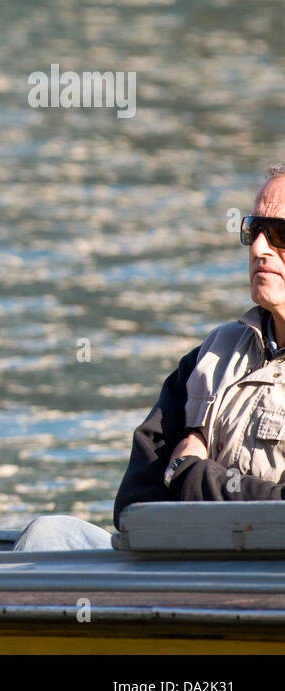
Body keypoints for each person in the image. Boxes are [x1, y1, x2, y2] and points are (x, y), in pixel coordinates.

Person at [114, 164, 285, 525]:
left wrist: (191, 473)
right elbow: (134, 508)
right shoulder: (211, 357)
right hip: (193, 573)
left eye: (279, 235)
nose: (258, 248)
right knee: (47, 532)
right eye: (254, 230)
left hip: (264, 579)